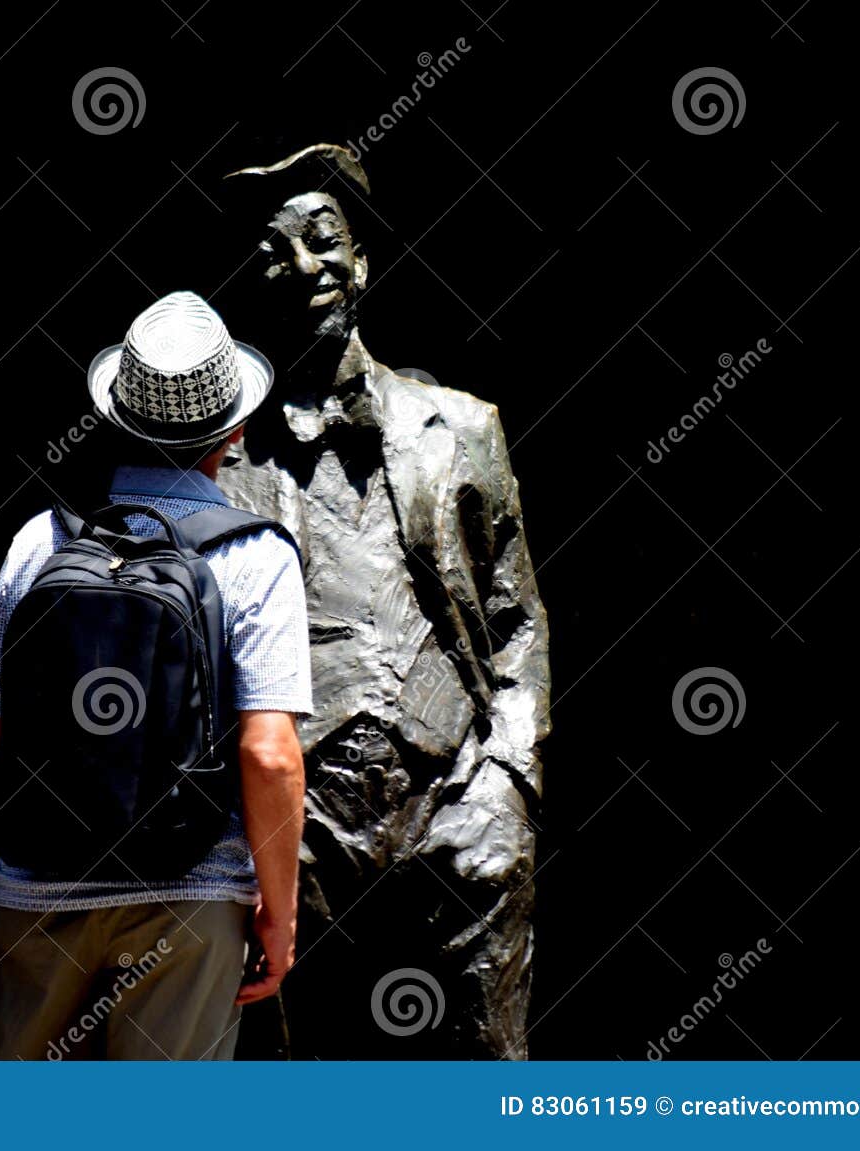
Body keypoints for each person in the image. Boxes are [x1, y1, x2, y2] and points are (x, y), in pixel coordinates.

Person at [213, 144, 551, 1057]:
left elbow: (517, 622)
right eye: (275, 252)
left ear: (363, 260)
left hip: (454, 796)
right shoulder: (218, 462)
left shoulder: (462, 430)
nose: (306, 267)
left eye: (325, 241)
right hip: (287, 820)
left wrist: (508, 780)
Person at [0, 290, 312, 1060]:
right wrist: (278, 917)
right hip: (189, 908)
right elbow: (268, 753)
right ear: (235, 428)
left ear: (118, 418)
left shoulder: (39, 538)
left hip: (33, 898)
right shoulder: (258, 555)